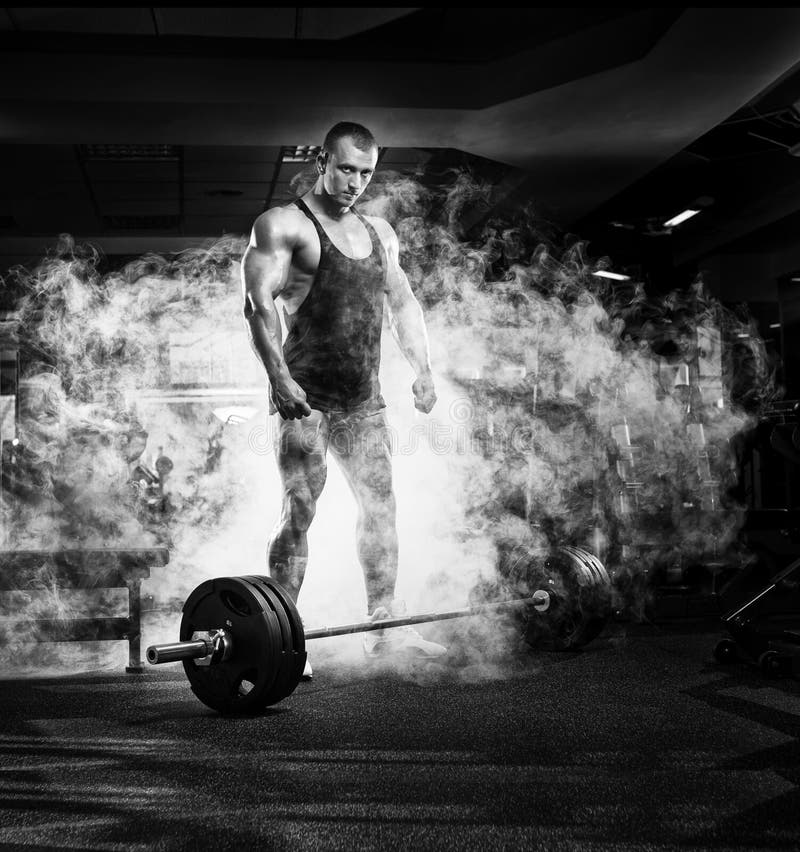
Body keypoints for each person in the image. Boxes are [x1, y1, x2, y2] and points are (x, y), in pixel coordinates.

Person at [242, 121, 447, 677]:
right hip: (306, 401)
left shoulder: (380, 232)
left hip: (364, 402)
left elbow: (403, 303)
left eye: (366, 172)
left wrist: (423, 368)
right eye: (346, 169)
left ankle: (383, 626)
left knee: (382, 509)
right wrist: (279, 379)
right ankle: (284, 636)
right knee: (299, 509)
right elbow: (258, 304)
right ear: (322, 163)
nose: (355, 182)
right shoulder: (284, 225)